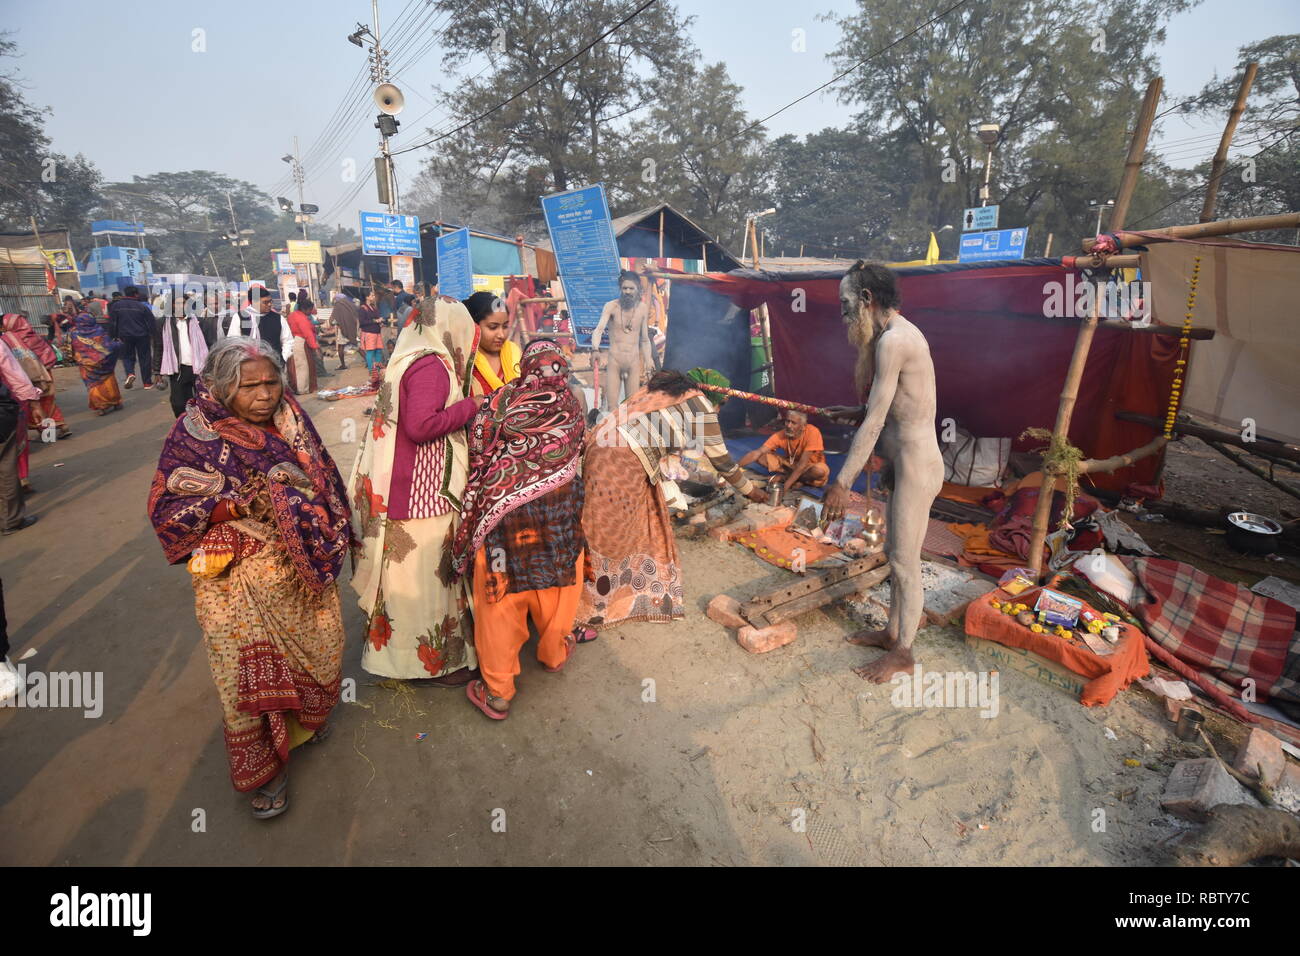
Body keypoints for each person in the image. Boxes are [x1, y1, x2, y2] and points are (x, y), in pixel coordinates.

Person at [148, 337, 352, 819]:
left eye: (271, 381)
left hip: (302, 566)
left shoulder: (291, 418)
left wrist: (314, 517)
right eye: (250, 386)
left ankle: (307, 718)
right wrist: (232, 506)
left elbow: (321, 478)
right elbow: (167, 506)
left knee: (320, 647)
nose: (265, 394)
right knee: (248, 675)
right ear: (221, 388)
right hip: (235, 581)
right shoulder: (193, 432)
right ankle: (267, 769)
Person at [451, 339, 588, 720]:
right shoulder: (574, 403)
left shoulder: (501, 401)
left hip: (505, 522)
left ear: (525, 368)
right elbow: (580, 452)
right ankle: (553, 654)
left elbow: (478, 450)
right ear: (560, 368)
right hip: (559, 519)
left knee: (501, 600)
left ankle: (498, 691)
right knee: (557, 585)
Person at [348, 295, 480, 683]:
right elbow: (421, 427)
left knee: (405, 582)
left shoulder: (409, 357)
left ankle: (398, 661)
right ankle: (433, 666)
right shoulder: (431, 366)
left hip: (403, 487)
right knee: (427, 582)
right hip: (423, 493)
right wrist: (472, 405)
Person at [822, 262, 944, 683]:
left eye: (846, 305)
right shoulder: (894, 335)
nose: (844, 316)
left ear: (867, 300)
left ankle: (905, 653)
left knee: (906, 564)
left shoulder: (895, 341)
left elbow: (877, 423)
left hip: (917, 466)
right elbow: (889, 408)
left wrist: (842, 482)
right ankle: (892, 632)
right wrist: (853, 411)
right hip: (906, 463)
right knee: (896, 557)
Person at [577, 368, 766, 630]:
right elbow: (721, 460)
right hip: (621, 460)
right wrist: (751, 491)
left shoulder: (661, 392)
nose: (719, 410)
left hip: (600, 447)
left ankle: (588, 594)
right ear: (712, 394)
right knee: (613, 532)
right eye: (721, 403)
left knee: (599, 524)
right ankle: (595, 605)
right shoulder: (700, 405)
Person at [591, 270, 654, 410]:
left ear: (637, 289)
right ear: (620, 289)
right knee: (612, 406)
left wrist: (649, 360)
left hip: (633, 362)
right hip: (615, 361)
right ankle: (614, 431)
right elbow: (599, 329)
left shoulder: (642, 309)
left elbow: (644, 340)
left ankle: (629, 431)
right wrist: (595, 349)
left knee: (632, 406)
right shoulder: (611, 306)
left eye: (631, 288)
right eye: (625, 288)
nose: (627, 291)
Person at [2, 313, 68, 440]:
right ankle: (62, 426)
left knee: (34, 404)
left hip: (27, 376)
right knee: (48, 401)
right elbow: (49, 355)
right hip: (46, 373)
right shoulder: (33, 335)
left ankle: (48, 435)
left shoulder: (7, 338)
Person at [0, 339, 41, 534]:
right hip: (7, 411)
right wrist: (33, 399)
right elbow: (13, 373)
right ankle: (10, 520)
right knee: (7, 466)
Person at [737, 409, 830, 491]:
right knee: (760, 456)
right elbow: (758, 452)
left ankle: (787, 478)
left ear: (803, 426)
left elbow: (802, 465)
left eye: (793, 423)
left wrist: (784, 488)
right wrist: (733, 470)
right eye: (787, 421)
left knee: (819, 471)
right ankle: (797, 480)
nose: (789, 426)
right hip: (791, 466)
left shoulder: (812, 432)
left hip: (808, 469)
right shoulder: (781, 434)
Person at [159, 296, 217, 418]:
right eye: (178, 303)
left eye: (185, 303)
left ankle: (206, 426)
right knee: (179, 404)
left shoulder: (201, 323)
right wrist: (156, 371)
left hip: (201, 368)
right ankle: (185, 427)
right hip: (178, 369)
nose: (182, 306)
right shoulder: (164, 324)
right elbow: (158, 346)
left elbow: (212, 345)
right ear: (172, 305)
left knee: (205, 401)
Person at [71, 301, 124, 416]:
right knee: (109, 381)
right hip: (104, 363)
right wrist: (118, 344)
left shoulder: (74, 334)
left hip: (87, 365)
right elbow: (108, 347)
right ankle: (115, 402)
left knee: (93, 384)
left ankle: (101, 406)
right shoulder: (99, 331)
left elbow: (74, 349)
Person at [464, 291, 520, 396]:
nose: (501, 335)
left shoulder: (515, 353)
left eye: (505, 326)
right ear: (473, 325)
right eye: (493, 327)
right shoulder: (464, 361)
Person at [108, 285, 159, 390]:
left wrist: (113, 336)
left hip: (124, 335)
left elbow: (113, 323)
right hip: (142, 335)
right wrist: (155, 336)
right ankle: (147, 383)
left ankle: (130, 373)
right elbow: (151, 323)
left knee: (127, 356)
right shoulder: (142, 307)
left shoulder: (116, 306)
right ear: (136, 294)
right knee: (145, 358)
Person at [285, 295, 320, 395]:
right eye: (310, 310)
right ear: (305, 309)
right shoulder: (302, 318)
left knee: (296, 366)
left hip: (293, 340)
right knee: (303, 366)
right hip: (301, 342)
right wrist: (315, 347)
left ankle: (297, 387)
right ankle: (302, 389)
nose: (310, 312)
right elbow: (307, 333)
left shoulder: (293, 315)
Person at [331, 287, 360, 370]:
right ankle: (369, 362)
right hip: (352, 328)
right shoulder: (351, 304)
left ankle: (343, 365)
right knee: (356, 345)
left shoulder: (339, 306)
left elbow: (334, 320)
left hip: (343, 330)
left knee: (341, 347)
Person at [356, 290, 385, 371]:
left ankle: (378, 369)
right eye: (372, 295)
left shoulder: (373, 307)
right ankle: (371, 370)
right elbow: (362, 322)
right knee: (370, 352)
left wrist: (380, 322)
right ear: (367, 297)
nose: (374, 297)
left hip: (377, 332)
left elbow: (377, 318)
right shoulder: (363, 308)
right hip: (369, 333)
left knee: (378, 351)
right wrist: (375, 321)